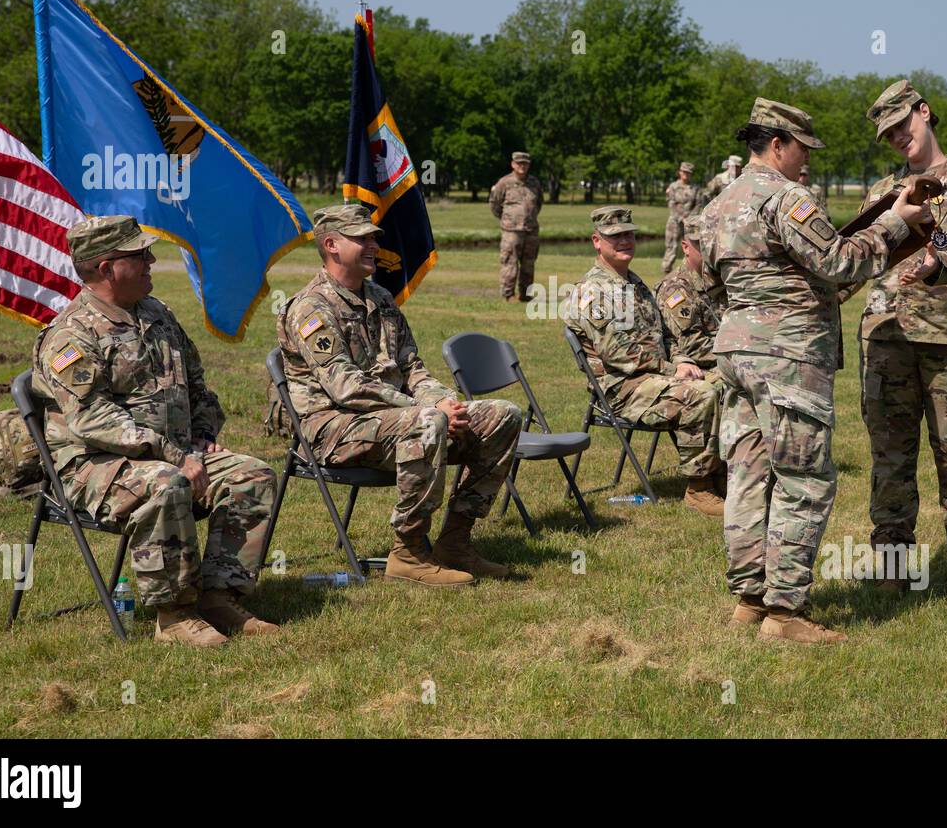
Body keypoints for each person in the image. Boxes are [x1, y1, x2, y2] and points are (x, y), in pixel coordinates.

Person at [699, 97, 924, 644]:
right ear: (777, 144)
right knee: (803, 479)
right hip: (788, 358)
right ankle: (784, 614)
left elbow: (715, 279)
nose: (808, 162)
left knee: (748, 475)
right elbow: (842, 262)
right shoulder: (786, 196)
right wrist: (895, 223)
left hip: (735, 353)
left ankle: (749, 599)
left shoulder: (719, 204)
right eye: (803, 150)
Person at [33, 216, 278, 647]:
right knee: (168, 483)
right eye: (139, 255)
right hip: (95, 465)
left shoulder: (157, 313)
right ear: (107, 267)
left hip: (175, 453)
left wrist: (201, 438)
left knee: (251, 474)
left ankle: (219, 595)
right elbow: (92, 418)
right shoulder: (71, 336)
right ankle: (174, 614)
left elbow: (197, 384)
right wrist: (174, 455)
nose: (151, 260)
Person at [278, 205, 522, 585]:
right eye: (362, 238)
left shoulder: (381, 299)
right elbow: (347, 387)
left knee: (502, 415)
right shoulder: (311, 308)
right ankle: (407, 552)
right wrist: (428, 408)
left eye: (373, 236)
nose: (374, 244)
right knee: (428, 421)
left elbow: (412, 368)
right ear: (331, 245)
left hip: (396, 419)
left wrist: (445, 400)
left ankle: (455, 542)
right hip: (333, 427)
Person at [849, 79, 947, 595]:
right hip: (886, 338)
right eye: (887, 134)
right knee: (890, 457)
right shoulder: (882, 192)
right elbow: (857, 255)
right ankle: (892, 568)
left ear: (924, 113)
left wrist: (941, 264)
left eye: (901, 126)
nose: (897, 139)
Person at [563, 206, 726, 516]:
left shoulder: (635, 284)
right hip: (622, 389)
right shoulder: (593, 292)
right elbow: (619, 354)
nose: (625, 241)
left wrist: (682, 359)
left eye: (629, 235)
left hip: (652, 378)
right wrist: (672, 369)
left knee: (727, 382)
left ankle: (723, 473)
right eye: (615, 237)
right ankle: (699, 488)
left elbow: (665, 336)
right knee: (701, 394)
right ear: (597, 241)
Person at [654, 216, 725, 385]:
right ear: (686, 247)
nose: (710, 251)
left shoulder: (723, 278)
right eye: (702, 245)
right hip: (700, 368)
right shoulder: (675, 289)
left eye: (714, 244)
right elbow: (693, 346)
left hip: (726, 358)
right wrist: (741, 352)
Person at [489, 151, 544, 302]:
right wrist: (507, 219)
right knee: (509, 262)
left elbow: (538, 203)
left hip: (531, 230)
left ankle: (525, 294)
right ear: (513, 164)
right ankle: (508, 294)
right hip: (511, 231)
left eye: (525, 163)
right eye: (519, 163)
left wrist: (529, 217)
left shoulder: (534, 182)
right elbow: (494, 204)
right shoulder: (504, 182)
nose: (522, 166)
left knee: (529, 263)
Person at [662, 162, 699, 273]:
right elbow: (671, 203)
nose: (686, 174)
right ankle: (666, 271)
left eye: (688, 173)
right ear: (680, 172)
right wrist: (680, 218)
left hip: (689, 223)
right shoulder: (673, 187)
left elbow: (698, 204)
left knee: (690, 247)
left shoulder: (694, 188)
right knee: (671, 247)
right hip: (674, 222)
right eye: (684, 172)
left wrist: (690, 219)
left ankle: (689, 271)